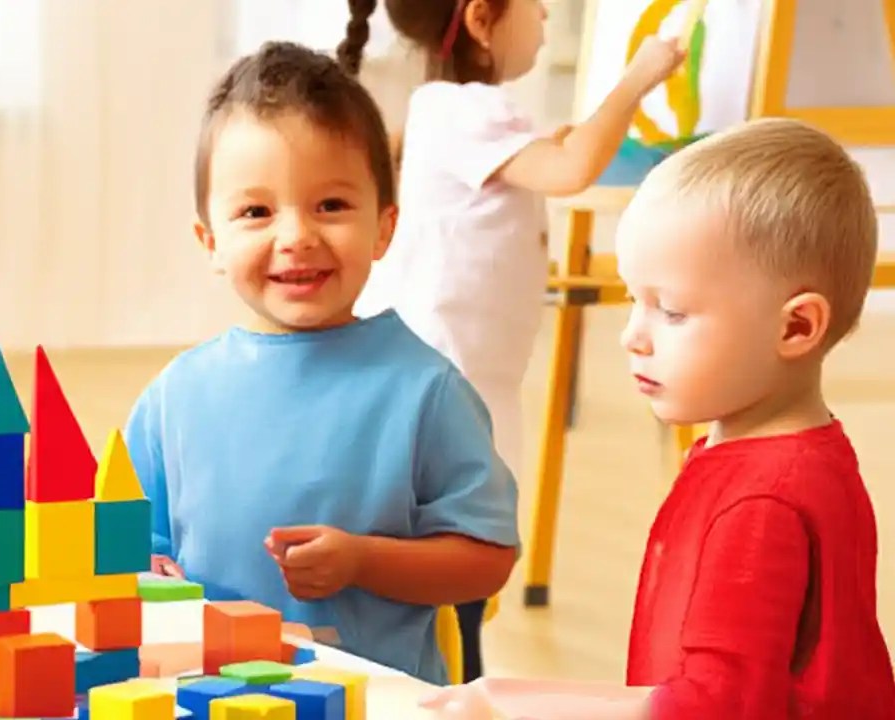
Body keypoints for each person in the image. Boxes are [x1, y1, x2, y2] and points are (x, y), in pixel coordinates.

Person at [421, 118, 895, 718]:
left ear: (795, 326)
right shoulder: (791, 455)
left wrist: (519, 707)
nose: (631, 337)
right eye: (632, 300)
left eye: (670, 310)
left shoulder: (764, 501)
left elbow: (715, 707)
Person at [123, 41, 519, 685]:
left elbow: (487, 559)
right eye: (256, 211)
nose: (296, 236)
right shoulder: (176, 395)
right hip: (207, 694)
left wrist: (364, 562)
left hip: (371, 700)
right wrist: (144, 573)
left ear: (384, 228)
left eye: (330, 205)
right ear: (211, 241)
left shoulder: (426, 390)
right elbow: (130, 546)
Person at [336, 0, 686, 680]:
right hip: (451, 368)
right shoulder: (465, 109)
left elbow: (554, 162)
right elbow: (572, 171)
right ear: (479, 18)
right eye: (534, 4)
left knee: (466, 534)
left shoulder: (454, 108)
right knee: (463, 536)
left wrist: (561, 140)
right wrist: (638, 78)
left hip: (467, 369)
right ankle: (440, 668)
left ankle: (444, 662)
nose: (547, 12)